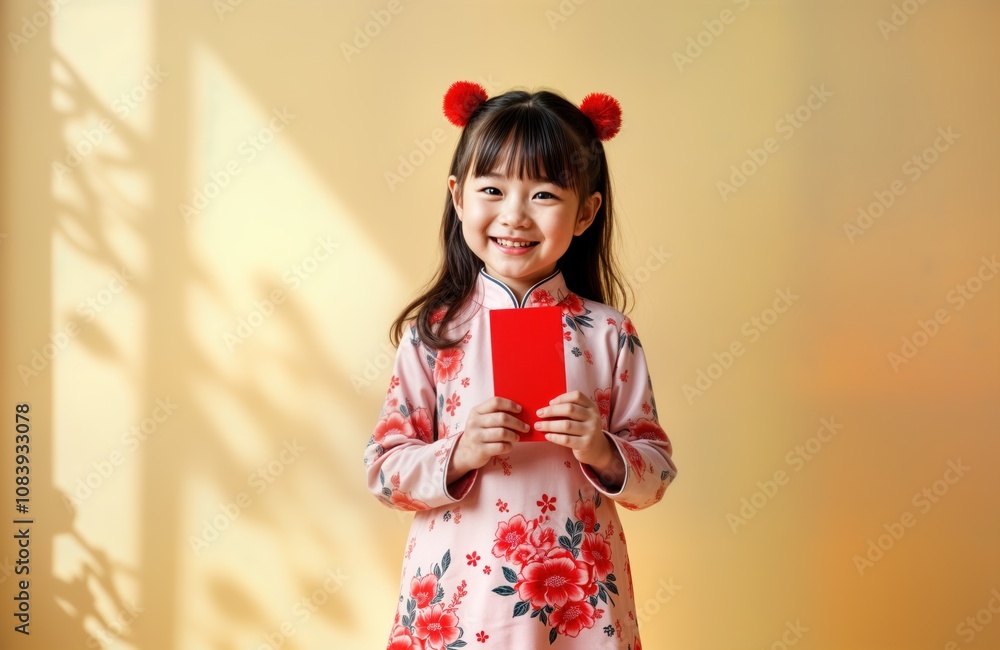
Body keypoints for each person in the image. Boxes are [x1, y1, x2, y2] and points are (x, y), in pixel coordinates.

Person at [364, 80, 678, 649]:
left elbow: (654, 475)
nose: (515, 216)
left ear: (586, 212)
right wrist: (458, 451)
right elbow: (384, 473)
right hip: (460, 599)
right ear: (458, 196)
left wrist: (602, 447)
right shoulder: (435, 334)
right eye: (492, 189)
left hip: (580, 604)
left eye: (544, 195)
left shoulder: (609, 334)